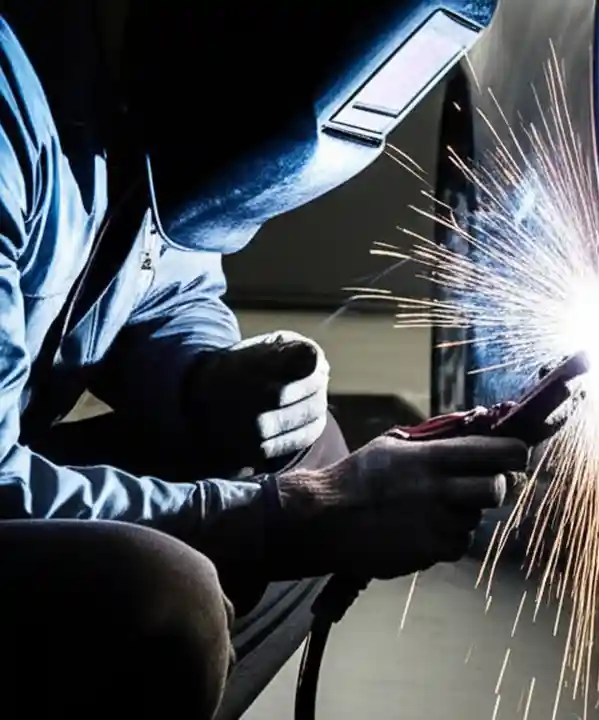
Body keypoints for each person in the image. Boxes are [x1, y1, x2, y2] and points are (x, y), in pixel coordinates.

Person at [0, 2, 523, 718]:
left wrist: (206, 378)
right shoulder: (13, 98)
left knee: (311, 454)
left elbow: (167, 279)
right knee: (164, 600)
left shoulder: (136, 83)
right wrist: (292, 519)